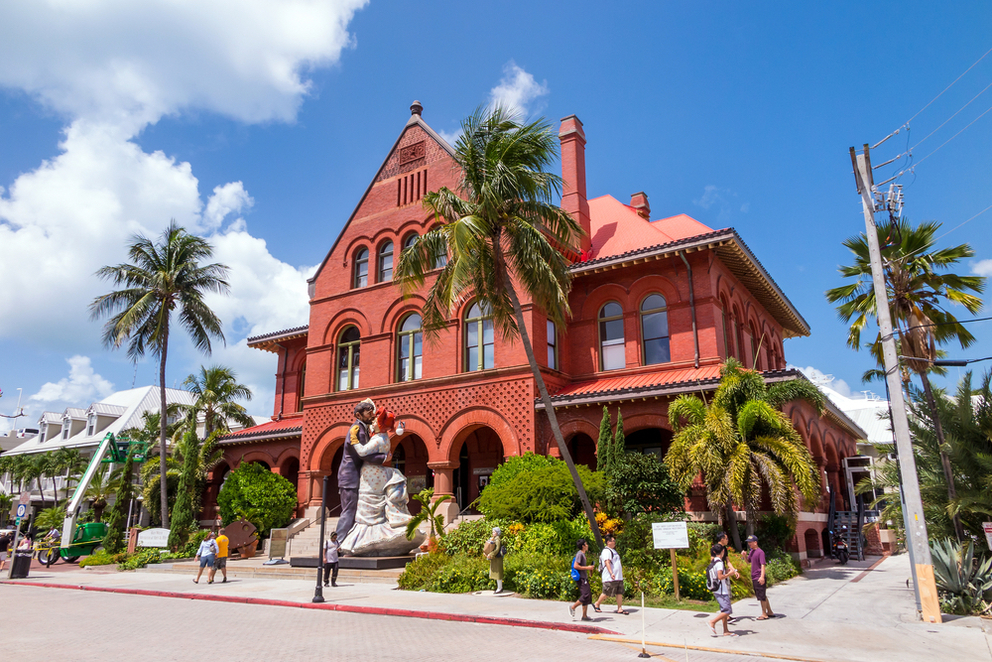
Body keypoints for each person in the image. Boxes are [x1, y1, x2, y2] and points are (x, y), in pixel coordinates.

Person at [339, 409, 417, 555]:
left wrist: (354, 439)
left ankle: (362, 542)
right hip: (375, 473)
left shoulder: (378, 439)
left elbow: (362, 452)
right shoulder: (383, 438)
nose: (373, 421)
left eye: (376, 420)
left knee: (366, 510)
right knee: (373, 509)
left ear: (380, 425)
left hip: (370, 475)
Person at [336, 399, 388, 545]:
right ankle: (337, 544)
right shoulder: (357, 429)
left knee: (354, 512)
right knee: (349, 511)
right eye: (368, 412)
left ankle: (349, 543)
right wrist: (383, 458)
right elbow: (363, 454)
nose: (372, 414)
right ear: (358, 415)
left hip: (355, 477)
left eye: (372, 411)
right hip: (350, 477)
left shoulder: (364, 427)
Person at [707, 543, 740, 637]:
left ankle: (726, 631)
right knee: (727, 610)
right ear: (723, 551)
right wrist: (729, 574)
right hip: (721, 590)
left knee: (723, 610)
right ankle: (712, 622)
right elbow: (720, 577)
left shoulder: (713, 562)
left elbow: (719, 574)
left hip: (716, 589)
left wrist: (726, 572)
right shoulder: (720, 563)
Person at [741, 534, 774, 619]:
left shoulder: (760, 552)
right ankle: (769, 611)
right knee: (762, 595)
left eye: (750, 542)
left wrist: (762, 577)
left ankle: (764, 614)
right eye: (748, 542)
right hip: (754, 576)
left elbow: (763, 565)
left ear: (755, 542)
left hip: (759, 576)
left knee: (761, 596)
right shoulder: (752, 551)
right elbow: (748, 562)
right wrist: (744, 556)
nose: (749, 544)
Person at [593, 534, 627, 614]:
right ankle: (597, 603)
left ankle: (620, 608)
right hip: (610, 577)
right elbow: (607, 562)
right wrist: (611, 573)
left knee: (619, 592)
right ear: (608, 542)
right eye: (613, 541)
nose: (615, 542)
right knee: (607, 592)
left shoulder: (614, 551)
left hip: (618, 577)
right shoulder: (606, 551)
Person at [568, 539, 595, 621]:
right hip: (581, 578)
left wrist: (590, 570)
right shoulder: (580, 554)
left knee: (587, 596)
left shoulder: (583, 554)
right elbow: (576, 566)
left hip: (584, 578)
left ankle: (584, 616)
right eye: (586, 544)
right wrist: (588, 568)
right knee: (585, 595)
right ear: (583, 546)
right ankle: (573, 607)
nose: (587, 545)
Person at [484, 527, 504, 594]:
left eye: (494, 532)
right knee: (496, 573)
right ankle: (499, 587)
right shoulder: (494, 539)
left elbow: (497, 549)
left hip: (497, 558)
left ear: (497, 533)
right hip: (495, 558)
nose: (492, 533)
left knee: (498, 573)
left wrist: (490, 554)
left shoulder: (497, 540)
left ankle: (500, 588)